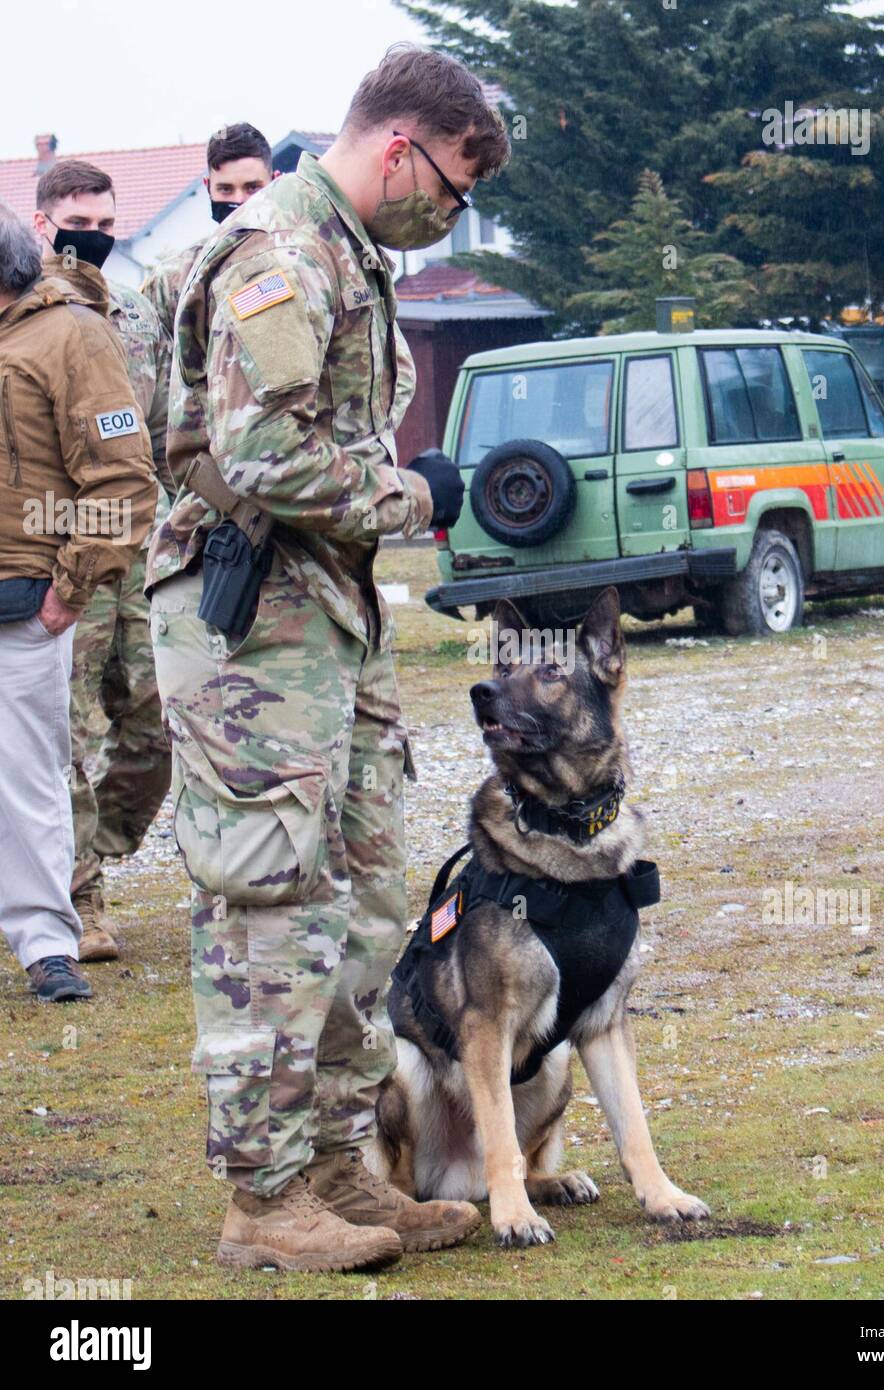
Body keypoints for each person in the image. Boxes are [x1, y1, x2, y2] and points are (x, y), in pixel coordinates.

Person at [146, 42, 508, 1273]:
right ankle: (260, 1196)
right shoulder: (281, 255)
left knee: (355, 895)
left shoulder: (347, 258)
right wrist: (416, 495)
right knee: (267, 901)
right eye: (453, 187)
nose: (450, 214)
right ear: (402, 147)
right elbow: (261, 458)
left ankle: (334, 1167)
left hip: (326, 616)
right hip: (254, 631)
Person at [0, 210, 157, 1001]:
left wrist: (70, 587)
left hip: (21, 603)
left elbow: (124, 480)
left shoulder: (71, 335)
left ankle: (46, 943)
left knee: (29, 781)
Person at [33, 160, 176, 963]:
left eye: (104, 220)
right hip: (66, 548)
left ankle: (90, 849)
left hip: (143, 557)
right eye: (76, 220)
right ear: (45, 220)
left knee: (158, 726)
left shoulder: (136, 316)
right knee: (71, 734)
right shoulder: (30, 315)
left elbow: (157, 437)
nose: (92, 234)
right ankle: (77, 897)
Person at [141, 123, 275, 339]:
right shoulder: (173, 279)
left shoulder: (305, 261)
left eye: (252, 188)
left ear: (274, 182)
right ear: (208, 187)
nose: (239, 200)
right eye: (225, 189)